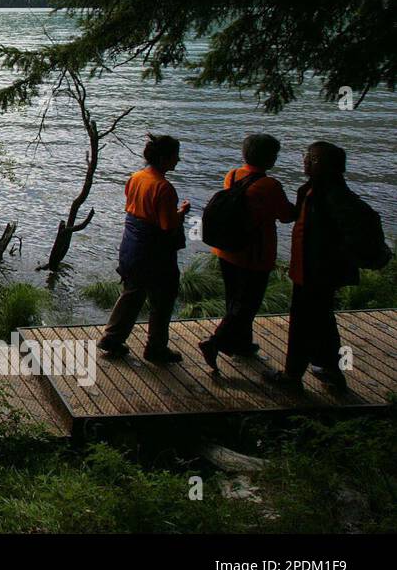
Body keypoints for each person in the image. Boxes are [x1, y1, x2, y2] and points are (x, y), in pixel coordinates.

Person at [263, 142, 392, 392]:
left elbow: (340, 235)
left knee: (302, 323)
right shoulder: (319, 191)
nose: (304, 161)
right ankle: (331, 371)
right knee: (321, 320)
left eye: (309, 158)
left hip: (316, 272)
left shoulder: (329, 196)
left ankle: (292, 376)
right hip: (312, 271)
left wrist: (334, 258)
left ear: (319, 164)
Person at [199, 134, 298, 370]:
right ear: (270, 158)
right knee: (247, 305)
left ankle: (242, 344)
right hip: (254, 255)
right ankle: (215, 342)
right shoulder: (269, 185)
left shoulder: (232, 175)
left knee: (234, 299)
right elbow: (286, 216)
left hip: (227, 250)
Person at [97, 135, 190, 364]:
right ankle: (156, 348)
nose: (178, 160)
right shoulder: (164, 187)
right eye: (175, 155)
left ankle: (112, 338)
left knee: (133, 292)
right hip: (154, 253)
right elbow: (168, 225)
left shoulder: (136, 177)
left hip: (131, 246)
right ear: (164, 158)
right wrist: (183, 212)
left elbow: (133, 206)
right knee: (163, 299)